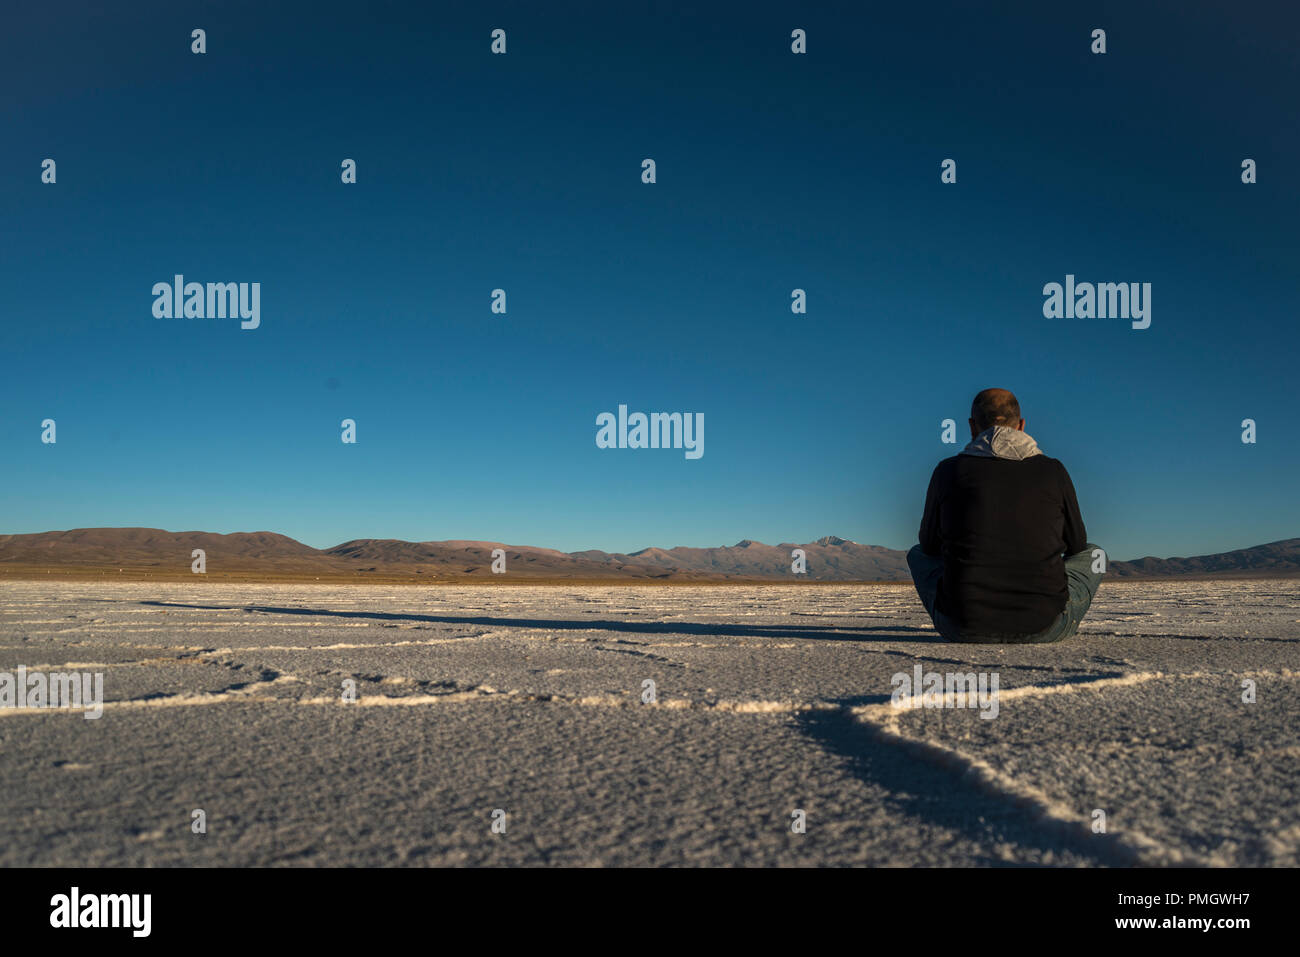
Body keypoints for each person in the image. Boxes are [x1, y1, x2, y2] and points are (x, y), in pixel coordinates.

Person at [907, 388, 1103, 643]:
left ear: (971, 426)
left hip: (961, 626)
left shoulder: (947, 471)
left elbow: (929, 546)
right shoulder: (1053, 471)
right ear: (1022, 425)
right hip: (1045, 626)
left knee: (917, 554)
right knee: (1095, 553)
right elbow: (1078, 544)